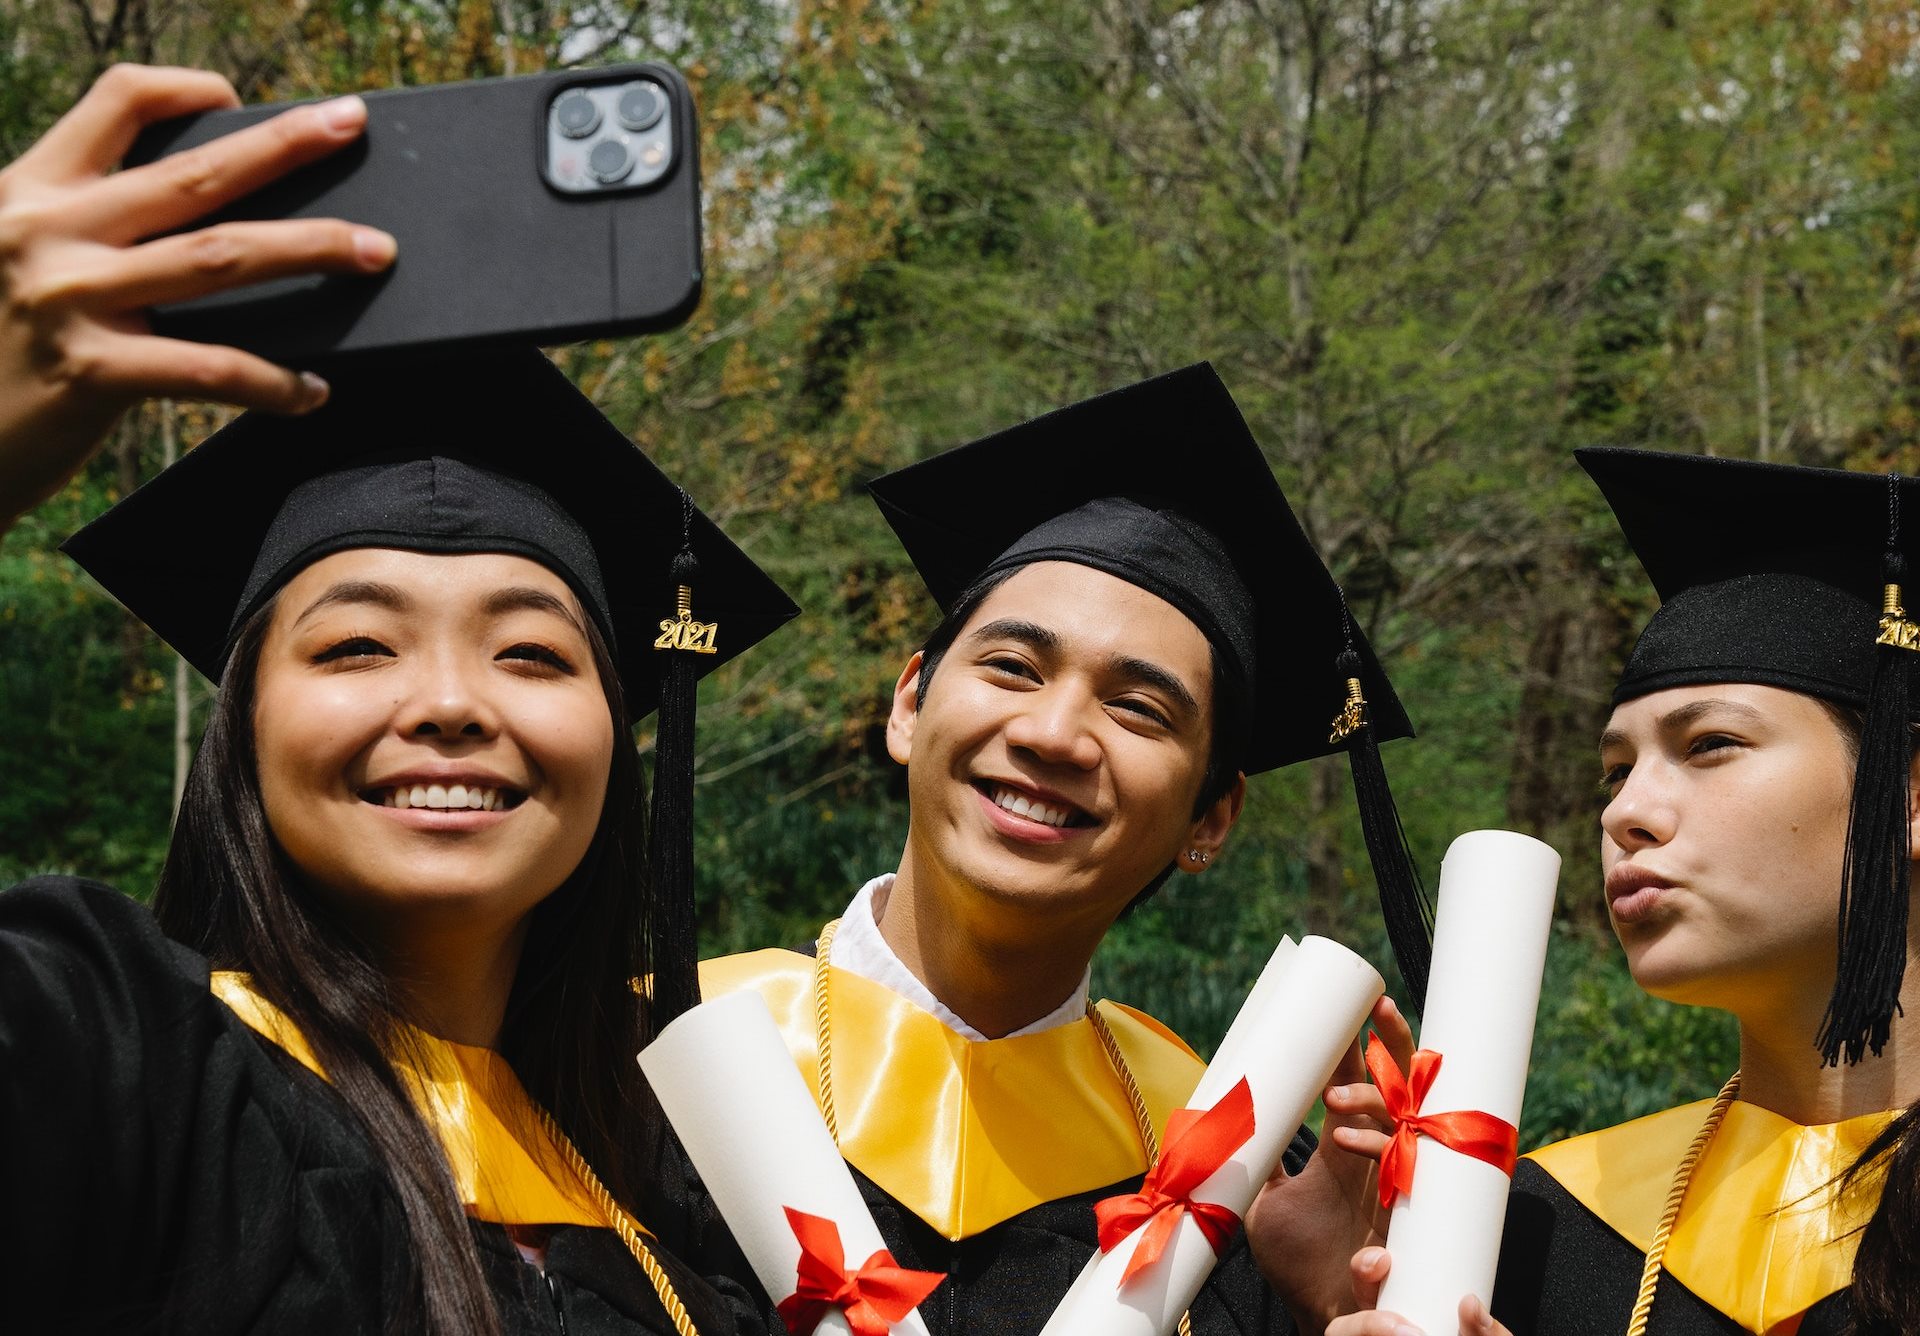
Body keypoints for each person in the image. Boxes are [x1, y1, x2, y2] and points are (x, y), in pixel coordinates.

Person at [0, 66, 800, 1335]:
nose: (448, 702)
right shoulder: (117, 1076)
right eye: (358, 646)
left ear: (617, 729)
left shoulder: (697, 1218)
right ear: (244, 722)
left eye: (532, 654)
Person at [685, 365, 1426, 1335]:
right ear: (909, 703)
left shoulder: (1220, 1180)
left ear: (1212, 817)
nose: (1054, 732)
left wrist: (1318, 1309)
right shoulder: (646, 1068)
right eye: (1011, 666)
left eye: (1137, 706)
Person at [1322, 448, 1920, 1336]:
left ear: (1907, 796)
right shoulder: (1534, 1231)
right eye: (1614, 771)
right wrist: (1306, 1299)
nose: (1626, 813)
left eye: (1710, 744)